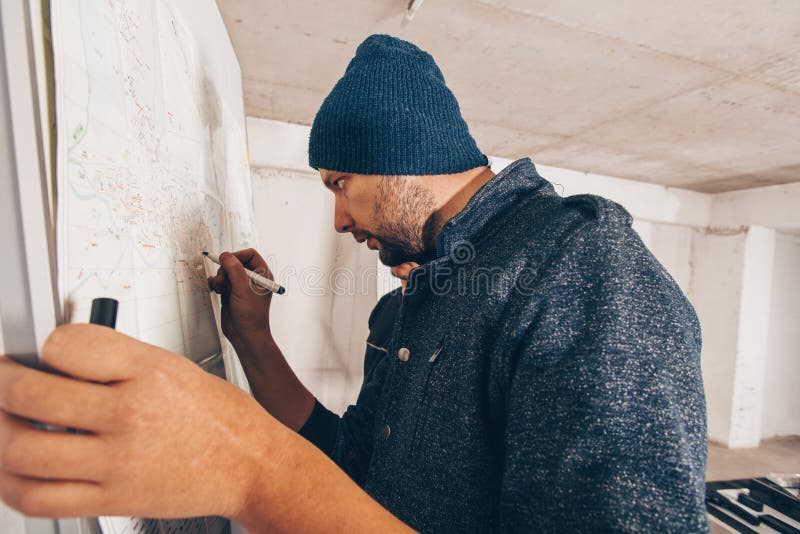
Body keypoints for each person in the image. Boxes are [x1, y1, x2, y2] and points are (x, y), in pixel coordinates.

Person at [0, 34, 708, 532]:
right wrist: (251, 339)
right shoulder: (400, 312)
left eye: (342, 184)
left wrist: (249, 468)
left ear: (404, 156)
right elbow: (350, 467)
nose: (337, 219)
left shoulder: (583, 267)